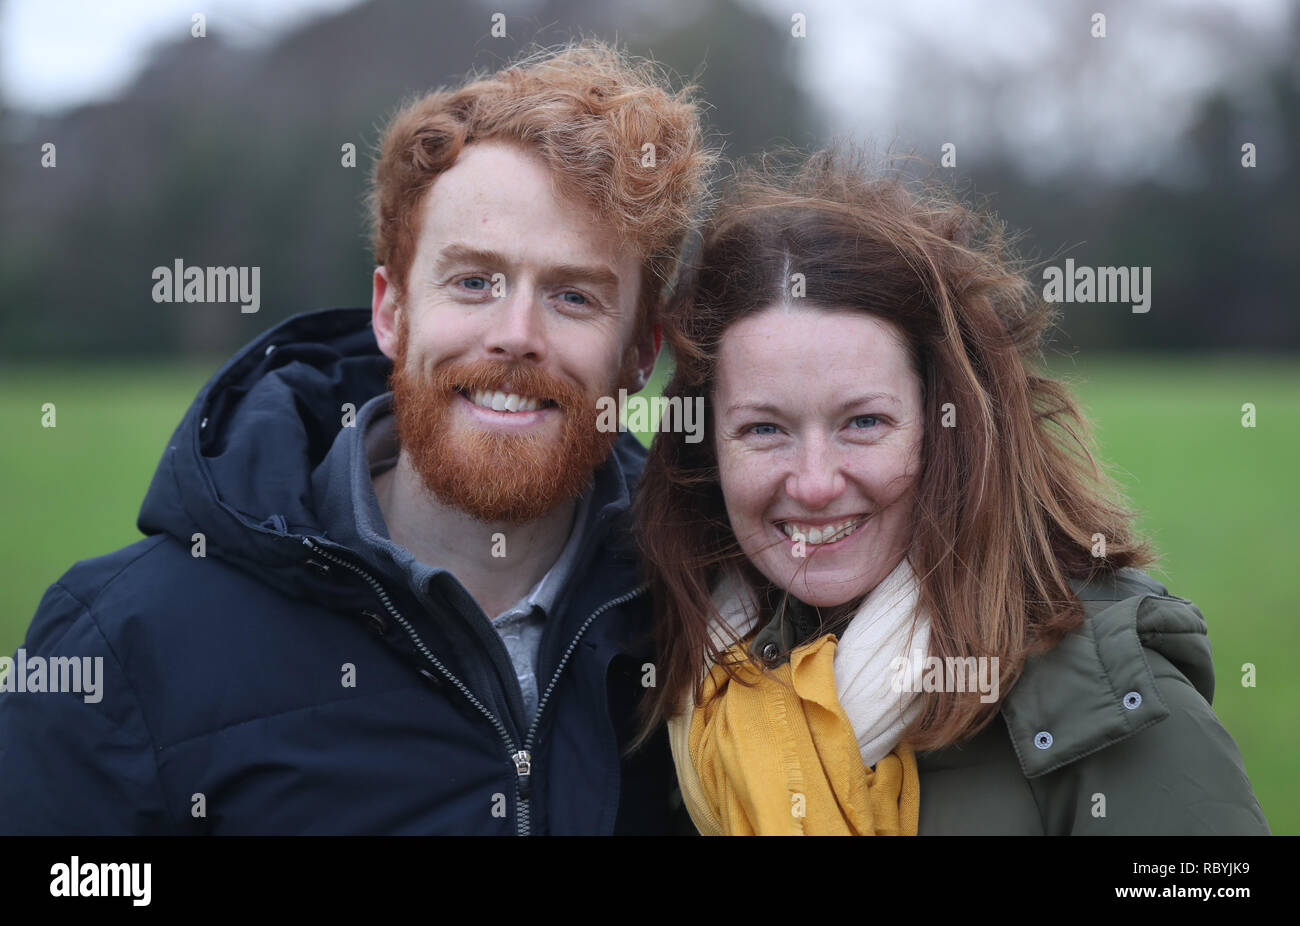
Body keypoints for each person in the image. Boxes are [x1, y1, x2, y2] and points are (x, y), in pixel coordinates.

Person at [0, 41, 716, 834]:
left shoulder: (714, 633)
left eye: (574, 296)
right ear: (391, 311)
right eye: (473, 281)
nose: (516, 335)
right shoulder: (121, 647)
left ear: (642, 355)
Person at [633, 146, 1272, 835]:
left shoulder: (1108, 704)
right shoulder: (686, 685)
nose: (814, 483)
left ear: (950, 426)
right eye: (764, 429)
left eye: (865, 422)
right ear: (705, 446)